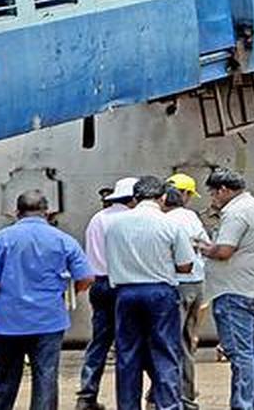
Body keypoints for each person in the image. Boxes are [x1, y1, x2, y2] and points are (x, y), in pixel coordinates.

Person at [0, 190, 93, 410]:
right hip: (49, 322)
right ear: (46, 212)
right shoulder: (63, 240)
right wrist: (67, 293)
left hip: (5, 323)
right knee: (45, 378)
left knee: (2, 380)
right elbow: (86, 278)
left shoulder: (0, 240)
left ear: (16, 212)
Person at [105, 176, 196, 410]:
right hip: (160, 292)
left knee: (127, 355)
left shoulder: (114, 224)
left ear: (135, 197)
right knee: (165, 351)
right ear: (163, 197)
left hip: (125, 293)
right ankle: (168, 405)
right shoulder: (170, 224)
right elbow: (186, 265)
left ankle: (128, 406)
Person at [199, 168, 254, 410]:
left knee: (239, 354)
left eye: (213, 193)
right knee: (250, 352)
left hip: (234, 292)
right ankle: (253, 404)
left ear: (223, 190)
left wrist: (203, 247)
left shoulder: (236, 212)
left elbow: (224, 251)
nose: (213, 199)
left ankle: (243, 405)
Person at [77, 176, 137, 410]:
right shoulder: (131, 218)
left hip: (99, 284)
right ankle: (129, 399)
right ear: (133, 198)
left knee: (99, 341)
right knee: (129, 343)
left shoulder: (97, 218)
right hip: (124, 284)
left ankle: (87, 394)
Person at [164, 174, 209, 410]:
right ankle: (187, 395)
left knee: (169, 343)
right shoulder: (191, 217)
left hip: (176, 284)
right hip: (196, 283)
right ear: (183, 194)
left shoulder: (163, 220)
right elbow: (207, 246)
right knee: (186, 342)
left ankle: (169, 396)